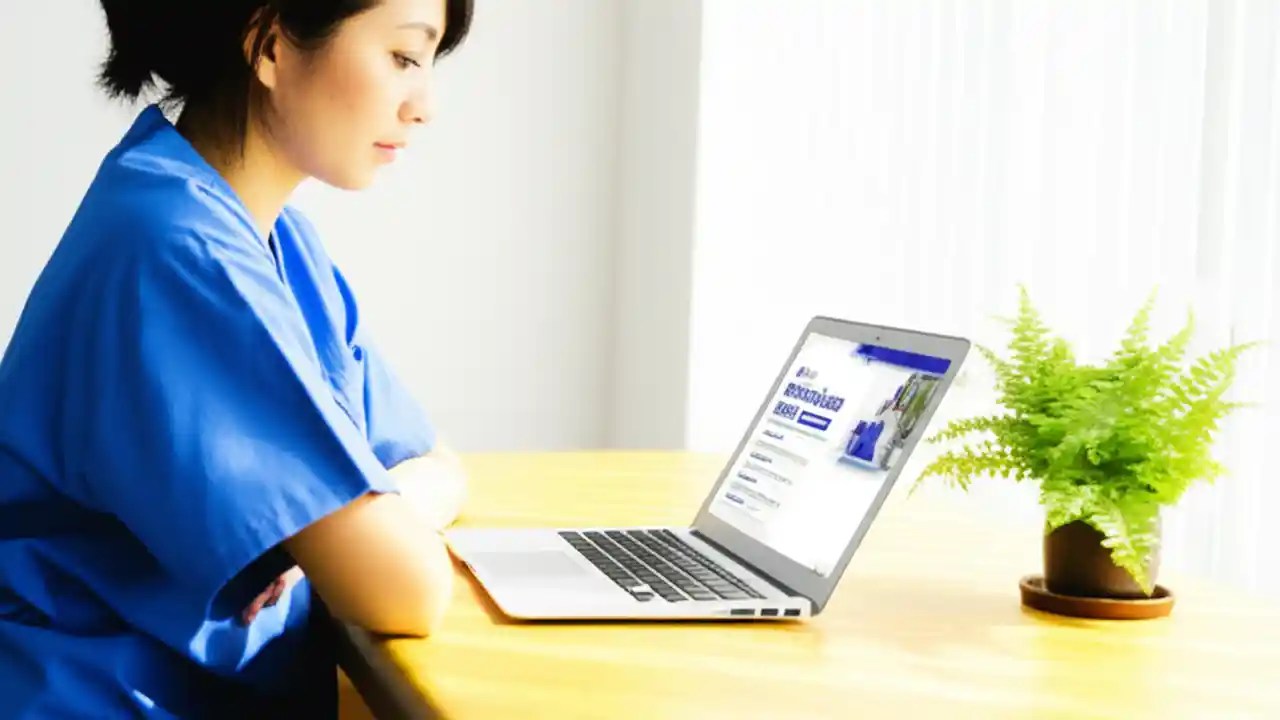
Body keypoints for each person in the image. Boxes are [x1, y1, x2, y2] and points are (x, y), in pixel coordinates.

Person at [0, 0, 473, 716]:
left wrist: (371, 517)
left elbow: (436, 459)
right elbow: (408, 590)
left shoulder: (272, 240)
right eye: (404, 57)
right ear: (270, 46)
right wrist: (361, 527)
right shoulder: (176, 247)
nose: (424, 106)